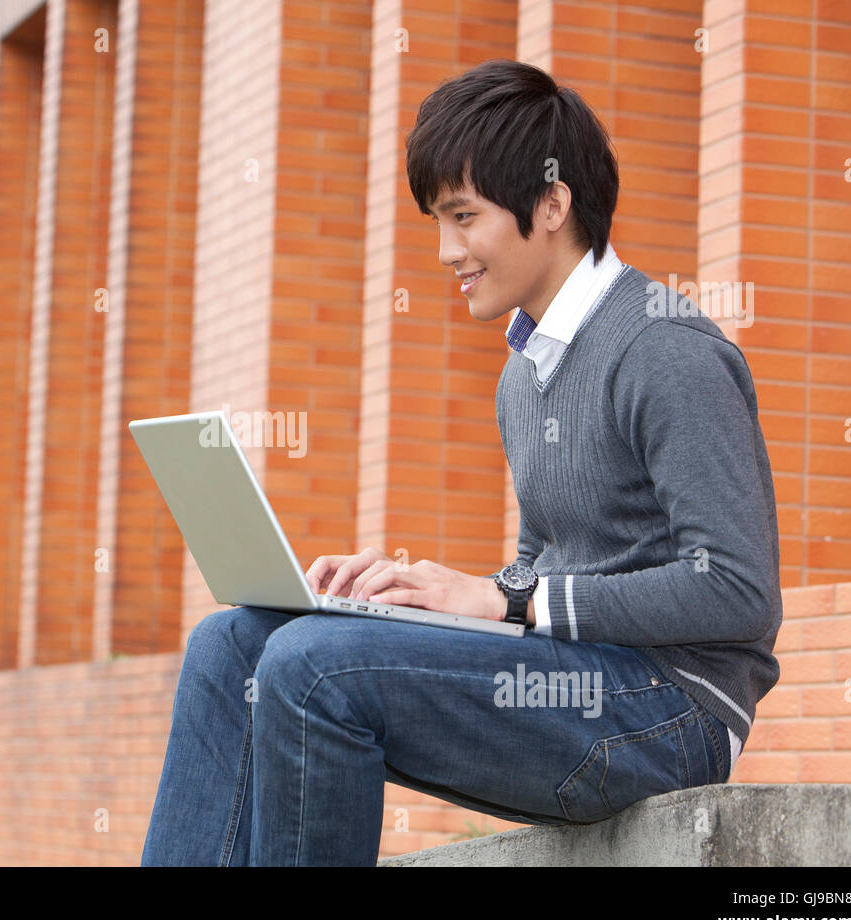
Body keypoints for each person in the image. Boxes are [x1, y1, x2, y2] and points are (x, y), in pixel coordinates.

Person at [140, 58, 781, 866]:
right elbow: (537, 575)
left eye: (463, 217)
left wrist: (506, 599)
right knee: (232, 644)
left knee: (313, 670)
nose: (446, 251)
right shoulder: (525, 375)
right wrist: (413, 604)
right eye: (436, 222)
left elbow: (737, 589)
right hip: (575, 679)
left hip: (669, 712)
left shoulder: (664, 351)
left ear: (551, 203)